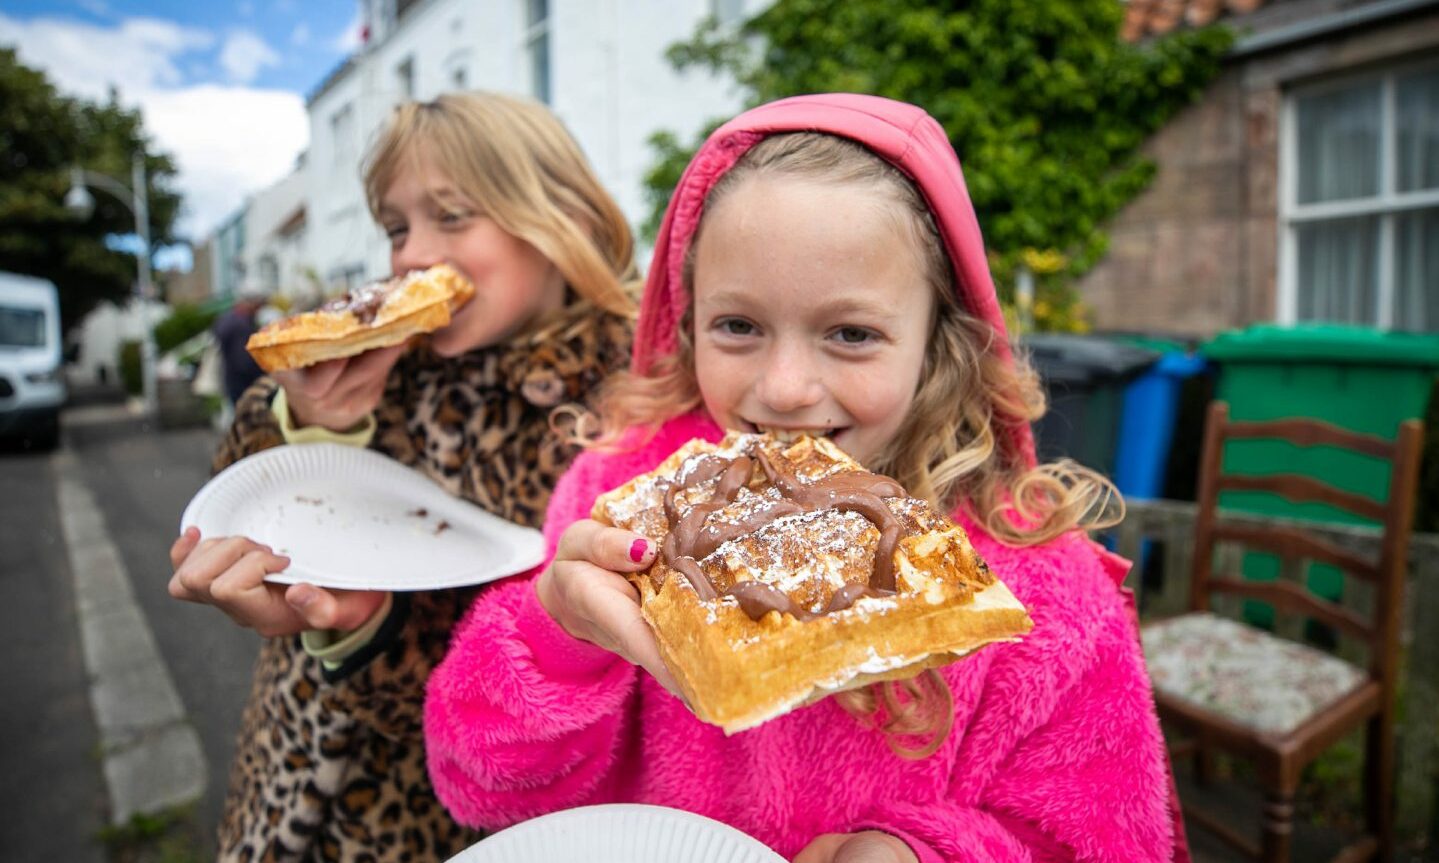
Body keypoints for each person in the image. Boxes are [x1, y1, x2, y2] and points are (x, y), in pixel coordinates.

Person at [424, 94, 1182, 863]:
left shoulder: (1041, 587)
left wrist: (924, 854)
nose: (785, 388)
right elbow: (483, 788)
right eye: (739, 326)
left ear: (939, 343)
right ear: (689, 327)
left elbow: (1102, 837)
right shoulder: (614, 507)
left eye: (850, 334)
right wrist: (556, 636)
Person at [166, 92, 637, 862]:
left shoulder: (625, 411)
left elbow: (563, 674)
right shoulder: (373, 354)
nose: (413, 254)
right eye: (395, 228)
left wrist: (364, 630)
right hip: (282, 782)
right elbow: (232, 482)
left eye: (451, 216)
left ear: (560, 223)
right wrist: (317, 422)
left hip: (448, 823)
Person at [212, 286, 266, 406]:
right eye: (258, 305)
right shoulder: (241, 325)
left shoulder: (227, 319)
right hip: (243, 382)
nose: (258, 310)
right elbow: (243, 362)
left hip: (231, 378)